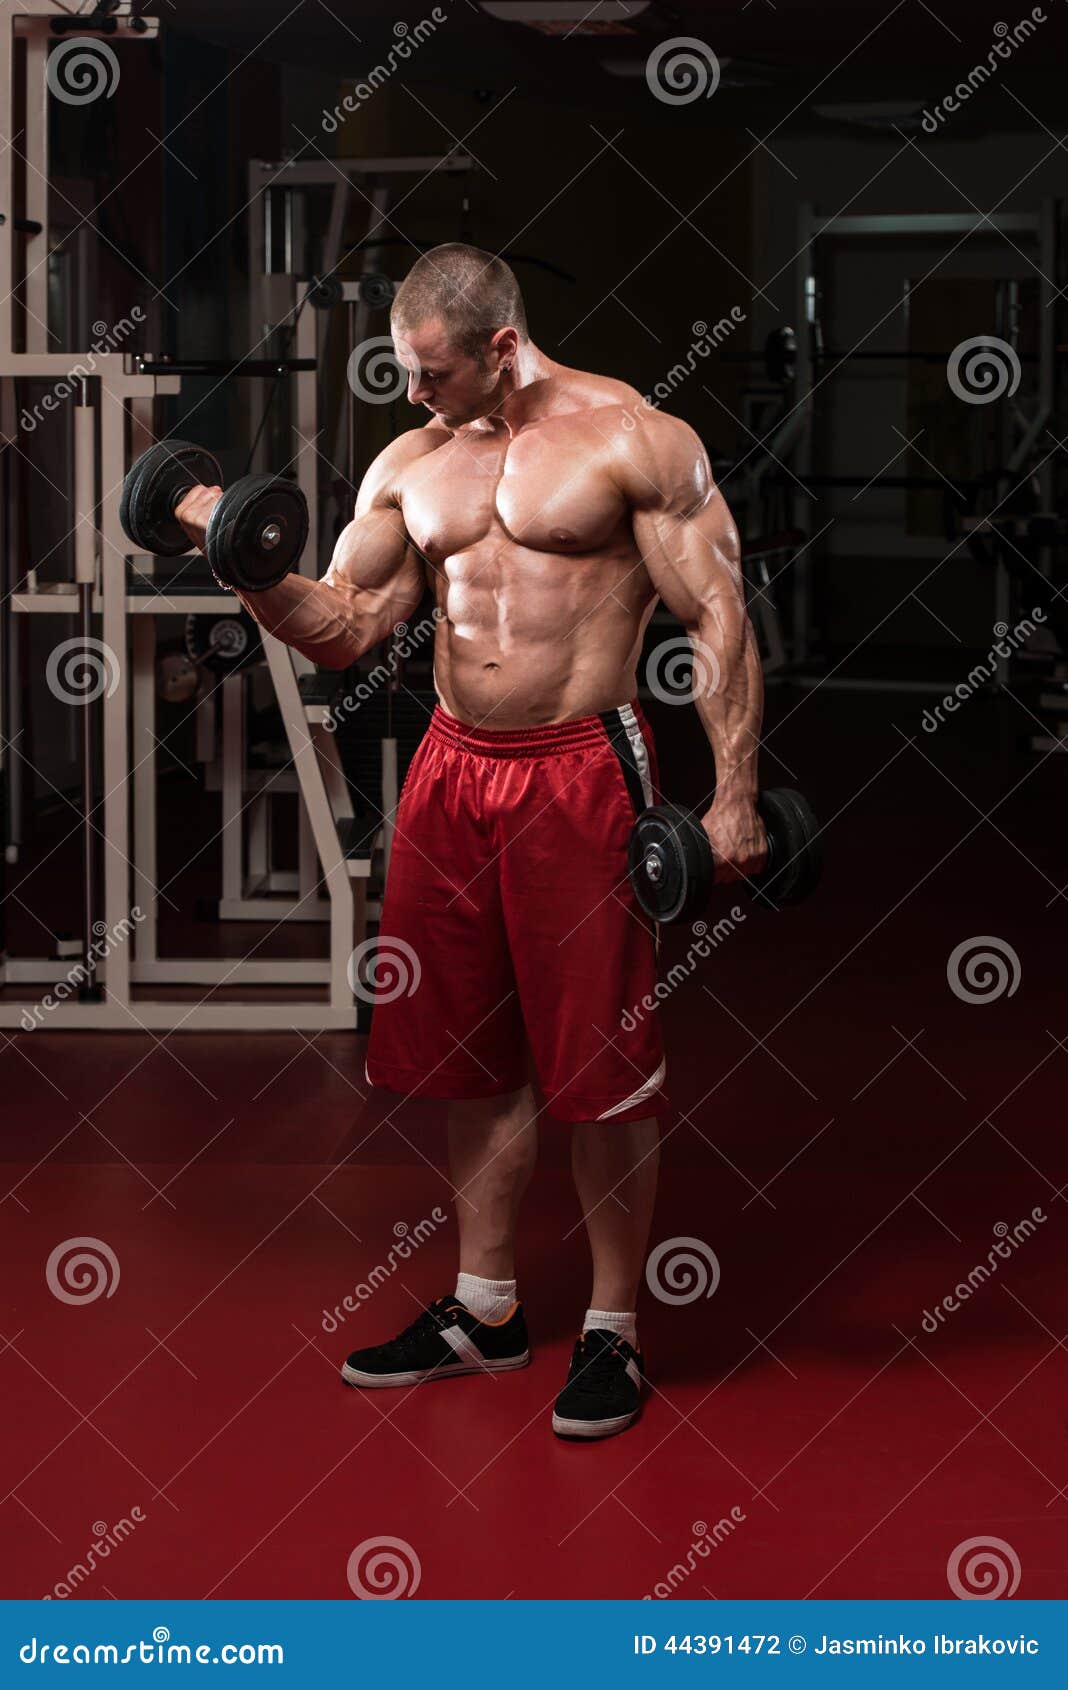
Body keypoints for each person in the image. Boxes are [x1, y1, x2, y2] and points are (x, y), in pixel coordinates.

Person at [176, 243, 765, 1440]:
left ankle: (613, 1328)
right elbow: (344, 626)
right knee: (468, 1050)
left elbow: (716, 613)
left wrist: (735, 793)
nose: (412, 395)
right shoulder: (412, 464)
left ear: (503, 345)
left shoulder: (632, 439)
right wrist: (240, 555)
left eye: (433, 372)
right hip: (453, 770)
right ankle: (486, 1307)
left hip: (581, 767)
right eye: (401, 372)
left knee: (599, 1062)